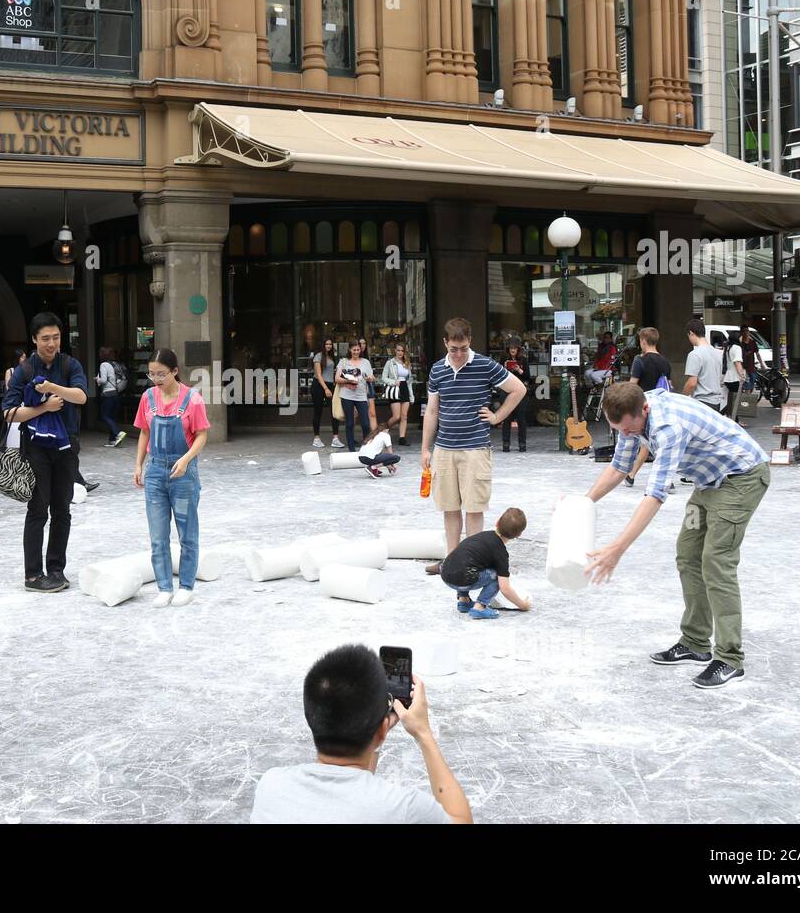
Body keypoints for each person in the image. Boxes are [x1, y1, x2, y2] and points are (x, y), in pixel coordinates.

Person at [584, 382, 770, 689]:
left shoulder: (668, 427)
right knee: (688, 555)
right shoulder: (633, 417)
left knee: (715, 561)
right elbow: (620, 466)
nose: (627, 436)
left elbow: (655, 494)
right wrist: (583, 503)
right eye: (620, 431)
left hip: (742, 478)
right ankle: (696, 642)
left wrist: (617, 548)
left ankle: (729, 658)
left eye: (630, 429)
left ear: (643, 409)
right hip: (709, 482)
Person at [250, 644, 471, 824]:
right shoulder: (405, 809)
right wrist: (423, 733)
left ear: (312, 716)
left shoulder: (271, 785)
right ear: (382, 731)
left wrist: (376, 729)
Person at [420, 317, 526, 575]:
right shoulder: (437, 370)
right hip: (444, 449)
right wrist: (425, 449)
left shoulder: (485, 365)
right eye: (453, 349)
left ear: (470, 343)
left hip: (475, 449)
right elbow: (432, 411)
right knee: (450, 507)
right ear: (445, 343)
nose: (458, 354)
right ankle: (451, 561)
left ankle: (472, 563)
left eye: (463, 348)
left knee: (474, 508)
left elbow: (518, 389)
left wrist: (498, 417)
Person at [3, 312, 90, 592]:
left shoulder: (70, 364)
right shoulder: (25, 370)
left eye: (56, 337)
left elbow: (81, 396)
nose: (51, 343)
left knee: (62, 510)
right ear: (34, 340)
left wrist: (52, 388)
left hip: (66, 447)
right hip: (36, 449)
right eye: (45, 339)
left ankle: (56, 569)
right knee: (38, 510)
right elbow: (9, 413)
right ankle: (32, 575)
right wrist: (44, 407)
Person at [133, 348, 210, 607]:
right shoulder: (147, 397)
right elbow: (144, 432)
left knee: (187, 533)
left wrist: (186, 459)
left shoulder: (193, 399)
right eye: (152, 374)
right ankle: (164, 587)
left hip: (184, 472)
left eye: (162, 374)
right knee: (158, 534)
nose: (156, 379)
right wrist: (138, 465)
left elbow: (201, 435)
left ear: (175, 371)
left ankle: (186, 585)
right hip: (155, 471)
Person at [441, 507, 531, 619]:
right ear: (519, 535)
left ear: (497, 522)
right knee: (496, 577)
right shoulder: (501, 553)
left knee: (466, 562)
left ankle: (463, 601)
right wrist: (523, 605)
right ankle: (480, 607)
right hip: (462, 579)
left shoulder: (482, 536)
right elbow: (505, 588)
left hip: (445, 572)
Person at [624, 327, 672, 487]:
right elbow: (669, 385)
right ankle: (632, 475)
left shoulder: (640, 360)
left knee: (645, 442)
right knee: (650, 442)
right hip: (662, 406)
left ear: (643, 341)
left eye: (640, 341)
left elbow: (632, 385)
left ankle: (630, 474)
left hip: (644, 406)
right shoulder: (665, 362)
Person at [335, 340, 375, 452]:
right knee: (349, 423)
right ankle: (352, 450)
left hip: (361, 395)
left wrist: (370, 379)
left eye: (358, 350)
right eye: (354, 350)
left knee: (366, 424)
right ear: (350, 350)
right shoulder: (344, 362)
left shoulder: (365, 362)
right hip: (346, 395)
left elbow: (372, 377)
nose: (356, 352)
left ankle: (366, 448)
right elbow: (337, 378)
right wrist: (349, 380)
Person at [682, 319, 724, 413]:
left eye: (688, 336)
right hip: (716, 403)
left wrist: (682, 398)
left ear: (691, 333)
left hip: (702, 403)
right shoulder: (717, 353)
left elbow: (692, 383)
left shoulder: (695, 354)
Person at [497, 338, 530, 453]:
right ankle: (506, 444)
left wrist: (519, 370)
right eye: (511, 348)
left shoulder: (524, 360)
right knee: (506, 418)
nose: (513, 350)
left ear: (518, 349)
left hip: (520, 392)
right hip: (507, 391)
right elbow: (498, 376)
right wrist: (505, 369)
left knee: (521, 419)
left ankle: (522, 444)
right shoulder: (503, 359)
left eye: (515, 348)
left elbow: (528, 377)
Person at [310, 338, 343, 448]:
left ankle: (335, 438)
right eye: (326, 344)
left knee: (334, 412)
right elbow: (318, 375)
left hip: (330, 385)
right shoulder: (318, 356)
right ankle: (316, 438)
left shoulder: (331, 356)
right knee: (317, 412)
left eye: (330, 344)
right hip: (319, 385)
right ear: (323, 345)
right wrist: (325, 389)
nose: (328, 346)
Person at [381, 342, 415, 447]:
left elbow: (409, 381)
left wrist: (411, 395)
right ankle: (383, 431)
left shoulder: (407, 363)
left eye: (402, 351)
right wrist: (393, 382)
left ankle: (402, 438)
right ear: (395, 350)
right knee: (396, 416)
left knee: (404, 416)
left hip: (405, 388)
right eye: (398, 350)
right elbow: (383, 378)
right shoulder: (390, 363)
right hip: (395, 388)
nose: (400, 352)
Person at [95, 346, 127, 447]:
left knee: (105, 416)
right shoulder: (115, 364)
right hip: (116, 393)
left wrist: (97, 379)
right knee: (112, 417)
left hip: (108, 394)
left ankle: (118, 433)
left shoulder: (104, 365)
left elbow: (104, 380)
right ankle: (112, 440)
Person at [720, 333, 746, 419]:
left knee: (733, 400)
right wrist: (742, 375)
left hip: (728, 377)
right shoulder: (737, 348)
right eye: (740, 336)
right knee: (735, 401)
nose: (742, 338)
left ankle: (733, 419)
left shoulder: (728, 347)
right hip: (735, 378)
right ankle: (720, 415)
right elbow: (737, 362)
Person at [359, 336, 379, 432]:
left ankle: (374, 436)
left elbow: (374, 375)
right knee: (355, 414)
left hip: (368, 386)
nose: (362, 346)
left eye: (364, 344)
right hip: (357, 387)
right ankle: (354, 437)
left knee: (372, 413)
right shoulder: (353, 358)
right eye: (360, 343)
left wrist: (371, 378)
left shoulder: (368, 358)